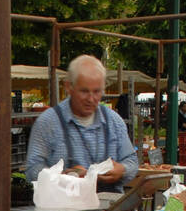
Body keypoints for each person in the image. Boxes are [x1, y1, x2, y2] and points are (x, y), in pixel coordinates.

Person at [25, 54, 138, 190]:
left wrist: (122, 170)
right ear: (68, 87)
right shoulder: (48, 123)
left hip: (109, 202)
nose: (91, 99)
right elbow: (33, 169)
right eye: (84, 91)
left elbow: (131, 161)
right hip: (64, 202)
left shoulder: (114, 121)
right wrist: (64, 176)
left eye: (97, 92)